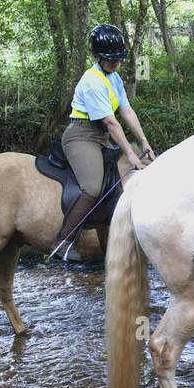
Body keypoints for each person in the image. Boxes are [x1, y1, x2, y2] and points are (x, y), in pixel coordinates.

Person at [52, 24, 155, 260]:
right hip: (81, 135)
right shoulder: (92, 81)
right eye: (110, 59)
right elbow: (110, 122)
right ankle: (62, 241)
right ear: (96, 56)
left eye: (117, 59)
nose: (115, 63)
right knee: (92, 187)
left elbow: (126, 111)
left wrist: (144, 141)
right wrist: (130, 153)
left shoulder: (114, 78)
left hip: (100, 137)